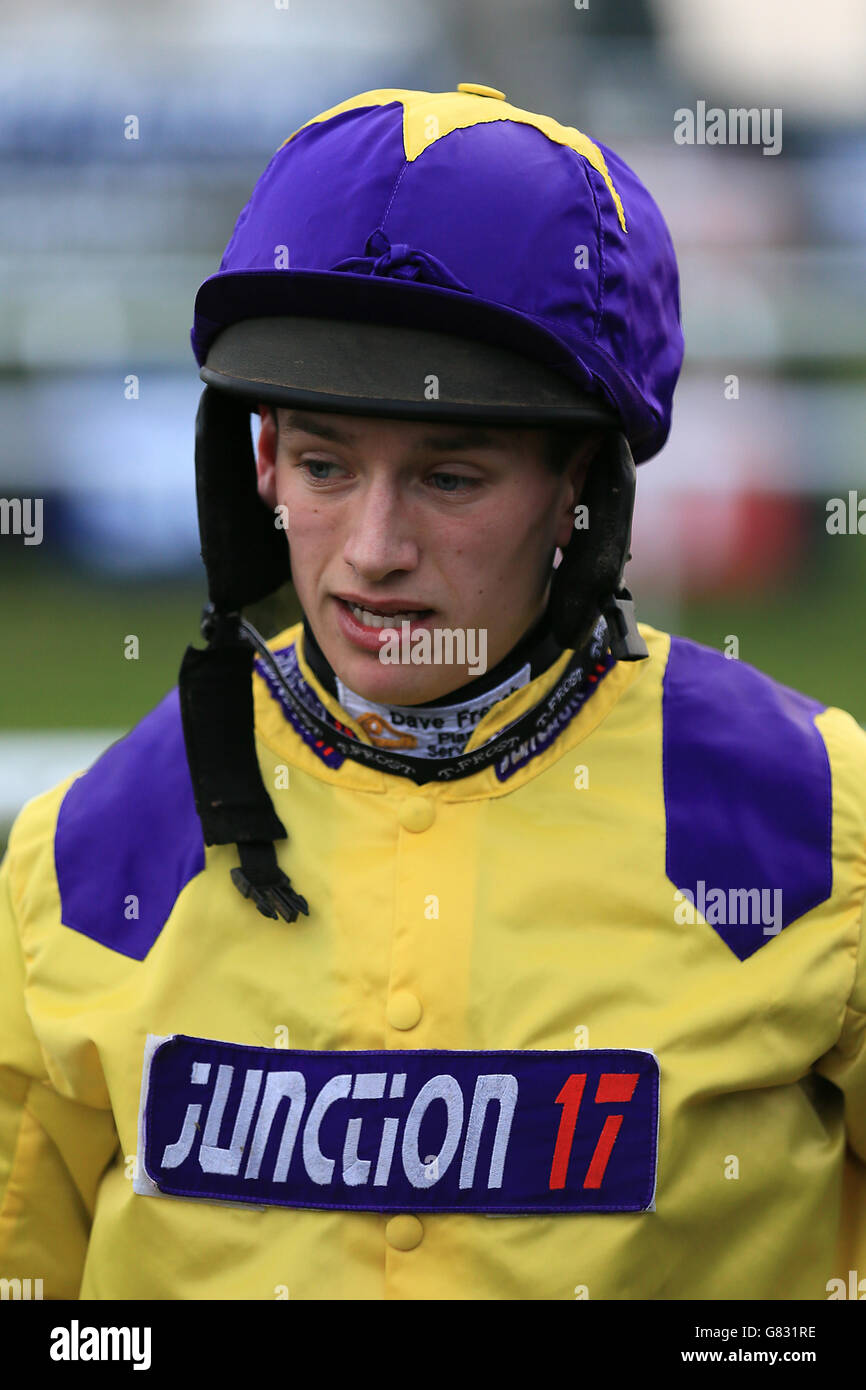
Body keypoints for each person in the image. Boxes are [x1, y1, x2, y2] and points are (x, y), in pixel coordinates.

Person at [1, 83, 864, 1303]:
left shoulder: (815, 820)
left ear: (582, 488)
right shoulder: (86, 852)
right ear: (257, 465)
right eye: (322, 464)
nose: (368, 549)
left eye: (450, 477)